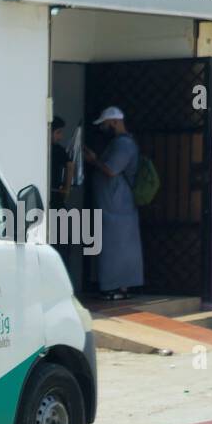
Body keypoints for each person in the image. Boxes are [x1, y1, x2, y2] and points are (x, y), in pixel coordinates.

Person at [83, 106, 144, 301]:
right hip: (114, 204)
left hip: (117, 205)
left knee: (116, 246)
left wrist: (93, 160)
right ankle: (115, 285)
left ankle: (118, 287)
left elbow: (111, 170)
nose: (103, 128)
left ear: (115, 122)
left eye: (105, 124)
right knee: (115, 245)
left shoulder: (123, 145)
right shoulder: (120, 143)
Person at [48, 115, 80, 292]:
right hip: (54, 203)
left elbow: (70, 165)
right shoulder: (55, 150)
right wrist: (66, 189)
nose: (60, 137)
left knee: (59, 244)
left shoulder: (54, 150)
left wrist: (65, 190)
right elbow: (70, 166)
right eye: (58, 133)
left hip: (54, 203)